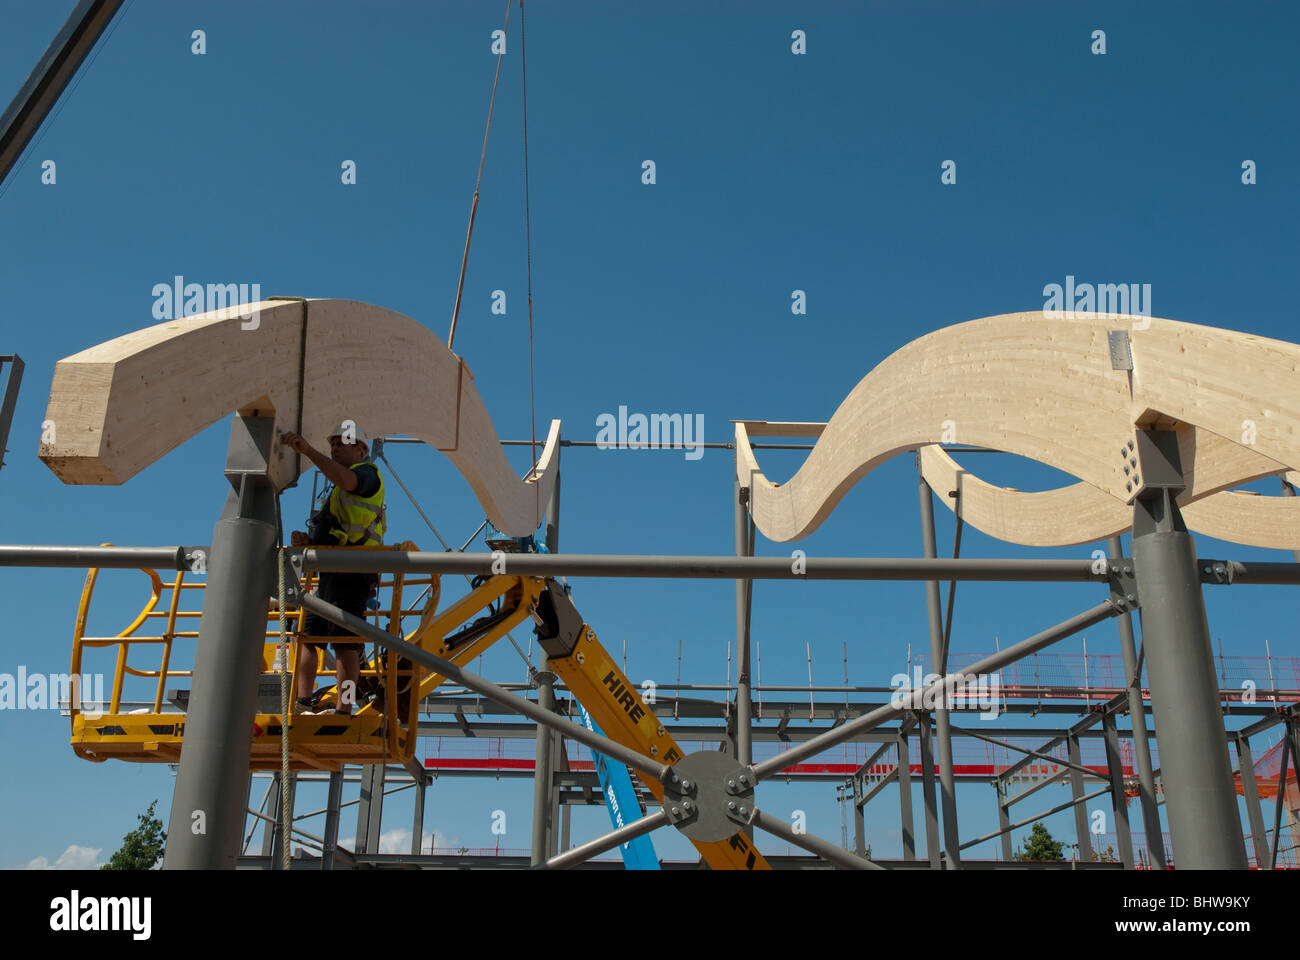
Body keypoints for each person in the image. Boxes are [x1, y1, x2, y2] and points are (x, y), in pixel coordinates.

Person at [282, 421, 386, 716]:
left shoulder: (366, 475)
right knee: (307, 636)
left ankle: (344, 706)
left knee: (345, 644)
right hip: (328, 572)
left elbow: (347, 481)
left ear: (361, 449)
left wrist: (309, 451)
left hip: (353, 572)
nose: (336, 447)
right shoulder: (336, 493)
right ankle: (302, 703)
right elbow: (334, 528)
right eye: (333, 443)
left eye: (343, 443)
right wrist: (308, 541)